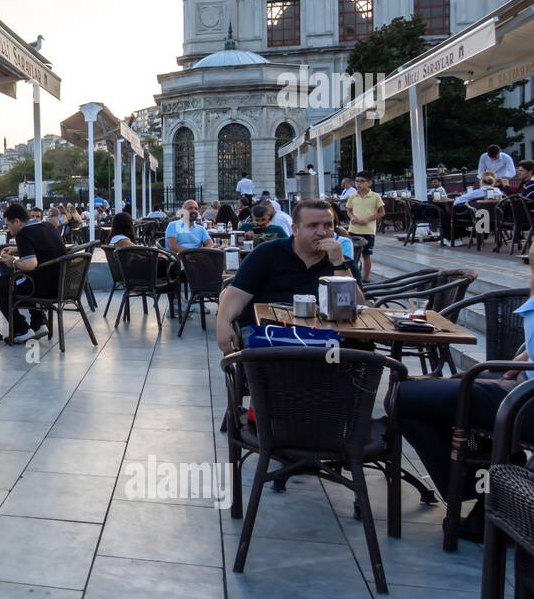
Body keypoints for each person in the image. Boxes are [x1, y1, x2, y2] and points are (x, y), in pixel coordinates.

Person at [396, 237, 534, 540]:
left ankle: (468, 482)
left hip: (524, 403)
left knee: (402, 398)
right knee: (448, 391)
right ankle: (488, 472)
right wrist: (520, 361)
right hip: (520, 391)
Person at [215, 199, 360, 354]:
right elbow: (236, 295)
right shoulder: (267, 253)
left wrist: (338, 263)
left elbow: (358, 306)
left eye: (328, 225)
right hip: (268, 336)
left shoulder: (341, 262)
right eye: (313, 226)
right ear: (295, 229)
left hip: (323, 339)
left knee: (355, 355)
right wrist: (223, 324)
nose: (322, 232)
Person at [0, 202, 67, 344]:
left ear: (17, 221)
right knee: (17, 281)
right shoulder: (47, 226)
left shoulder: (23, 234)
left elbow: (30, 265)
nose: (7, 228)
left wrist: (12, 262)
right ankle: (38, 324)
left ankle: (21, 330)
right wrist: (17, 249)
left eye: (8, 225)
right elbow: (42, 249)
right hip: (62, 285)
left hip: (43, 289)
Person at [345, 171, 385, 279]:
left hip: (368, 230)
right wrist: (352, 217)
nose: (359, 184)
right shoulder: (353, 196)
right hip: (354, 229)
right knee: (351, 254)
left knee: (366, 255)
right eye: (357, 181)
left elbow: (381, 212)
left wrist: (368, 219)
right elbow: (348, 210)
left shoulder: (375, 196)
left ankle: (366, 277)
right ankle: (352, 276)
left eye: (362, 181)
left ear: (369, 183)